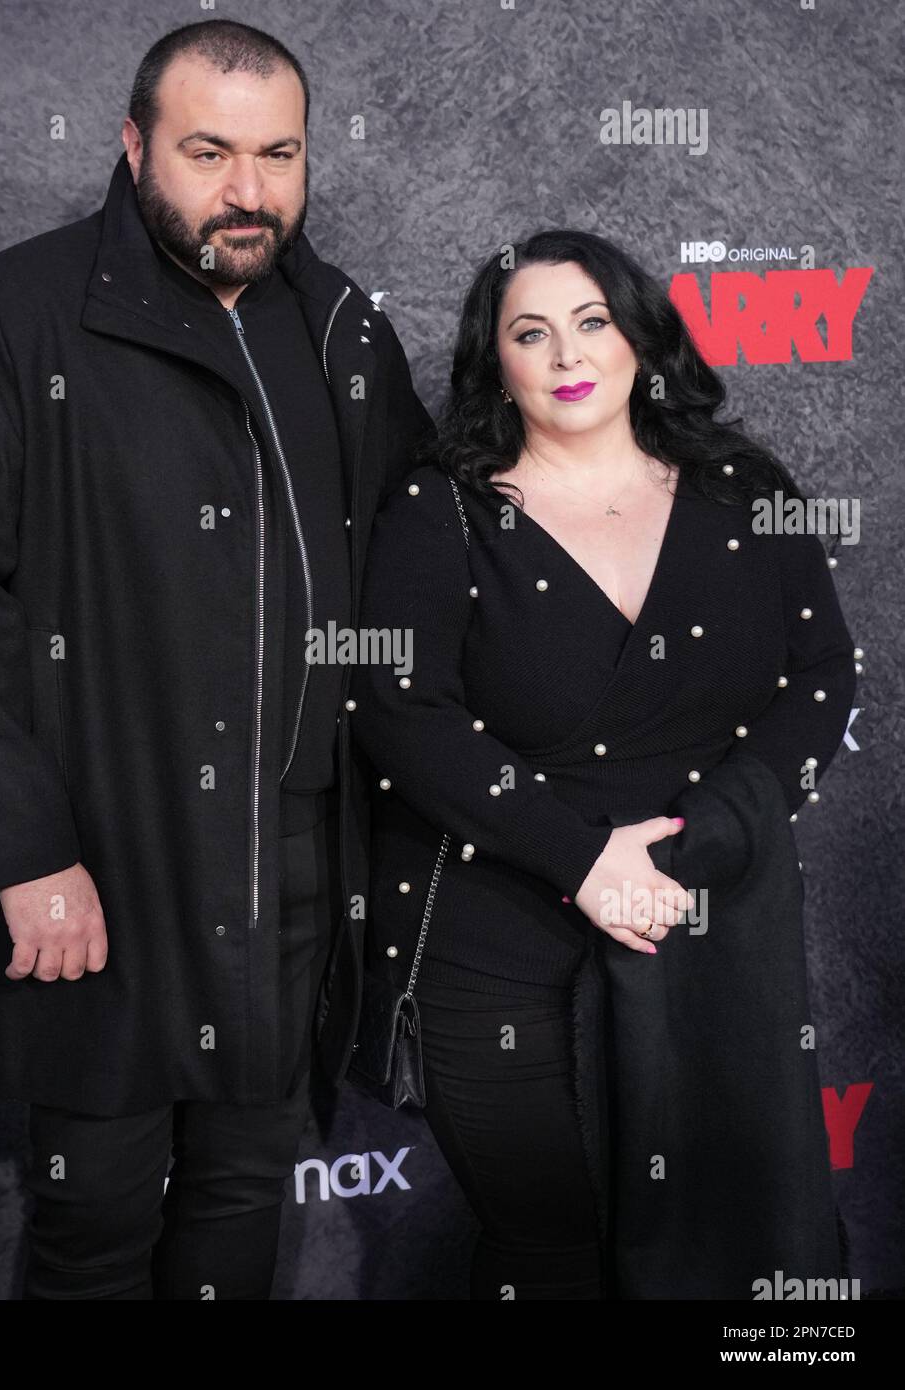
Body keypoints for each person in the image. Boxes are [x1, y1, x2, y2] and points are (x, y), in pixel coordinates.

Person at [0, 19, 433, 1299]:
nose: (249, 190)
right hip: (101, 871)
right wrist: (25, 853)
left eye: (278, 153)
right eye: (208, 151)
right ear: (133, 151)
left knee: (241, 1208)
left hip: (289, 872)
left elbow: (416, 564)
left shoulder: (345, 332)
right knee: (94, 1229)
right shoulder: (17, 310)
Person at [348, 229, 857, 1299]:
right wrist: (582, 862)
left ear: (639, 338)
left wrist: (700, 844)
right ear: (498, 362)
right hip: (493, 939)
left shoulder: (740, 487)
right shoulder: (438, 511)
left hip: (700, 917)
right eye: (529, 332)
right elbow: (401, 711)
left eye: (591, 321)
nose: (566, 352)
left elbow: (818, 677)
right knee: (553, 1250)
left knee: (724, 1243)